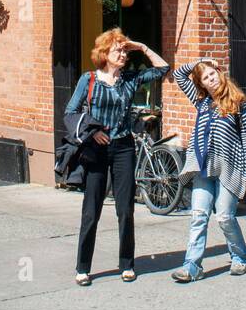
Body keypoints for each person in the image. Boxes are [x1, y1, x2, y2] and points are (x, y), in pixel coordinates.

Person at [65, 28, 169, 286]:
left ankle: (127, 264)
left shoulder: (129, 79)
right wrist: (94, 131)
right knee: (92, 210)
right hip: (96, 149)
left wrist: (142, 47)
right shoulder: (88, 80)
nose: (122, 54)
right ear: (104, 54)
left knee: (126, 209)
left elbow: (163, 68)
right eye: (117, 50)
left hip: (124, 147)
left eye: (123, 50)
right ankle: (83, 267)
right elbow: (70, 112)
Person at [170, 57, 246, 282]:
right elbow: (180, 75)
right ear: (202, 84)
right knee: (199, 215)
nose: (211, 80)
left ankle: (240, 256)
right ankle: (191, 266)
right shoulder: (200, 101)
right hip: (202, 167)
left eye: (212, 74)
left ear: (220, 73)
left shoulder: (239, 102)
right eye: (205, 78)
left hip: (230, 166)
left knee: (225, 216)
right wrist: (200, 62)